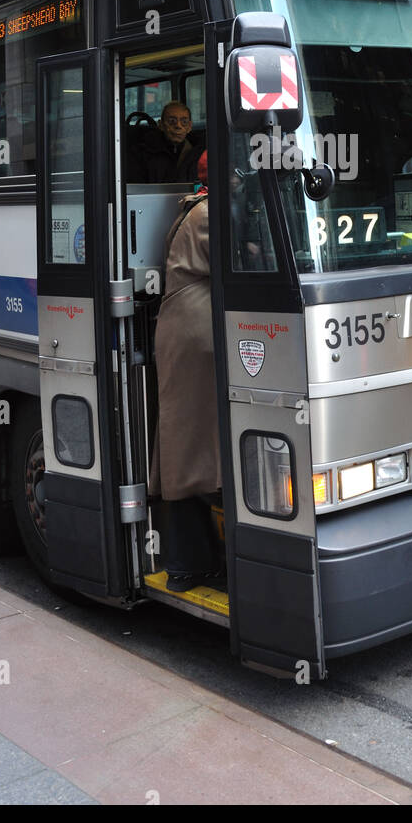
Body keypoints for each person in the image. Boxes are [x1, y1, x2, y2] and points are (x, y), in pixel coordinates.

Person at [149, 151, 224, 592]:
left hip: (183, 334)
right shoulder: (209, 213)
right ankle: (189, 563)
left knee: (186, 443)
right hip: (197, 337)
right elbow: (241, 260)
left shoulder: (191, 207)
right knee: (198, 445)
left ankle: (189, 561)